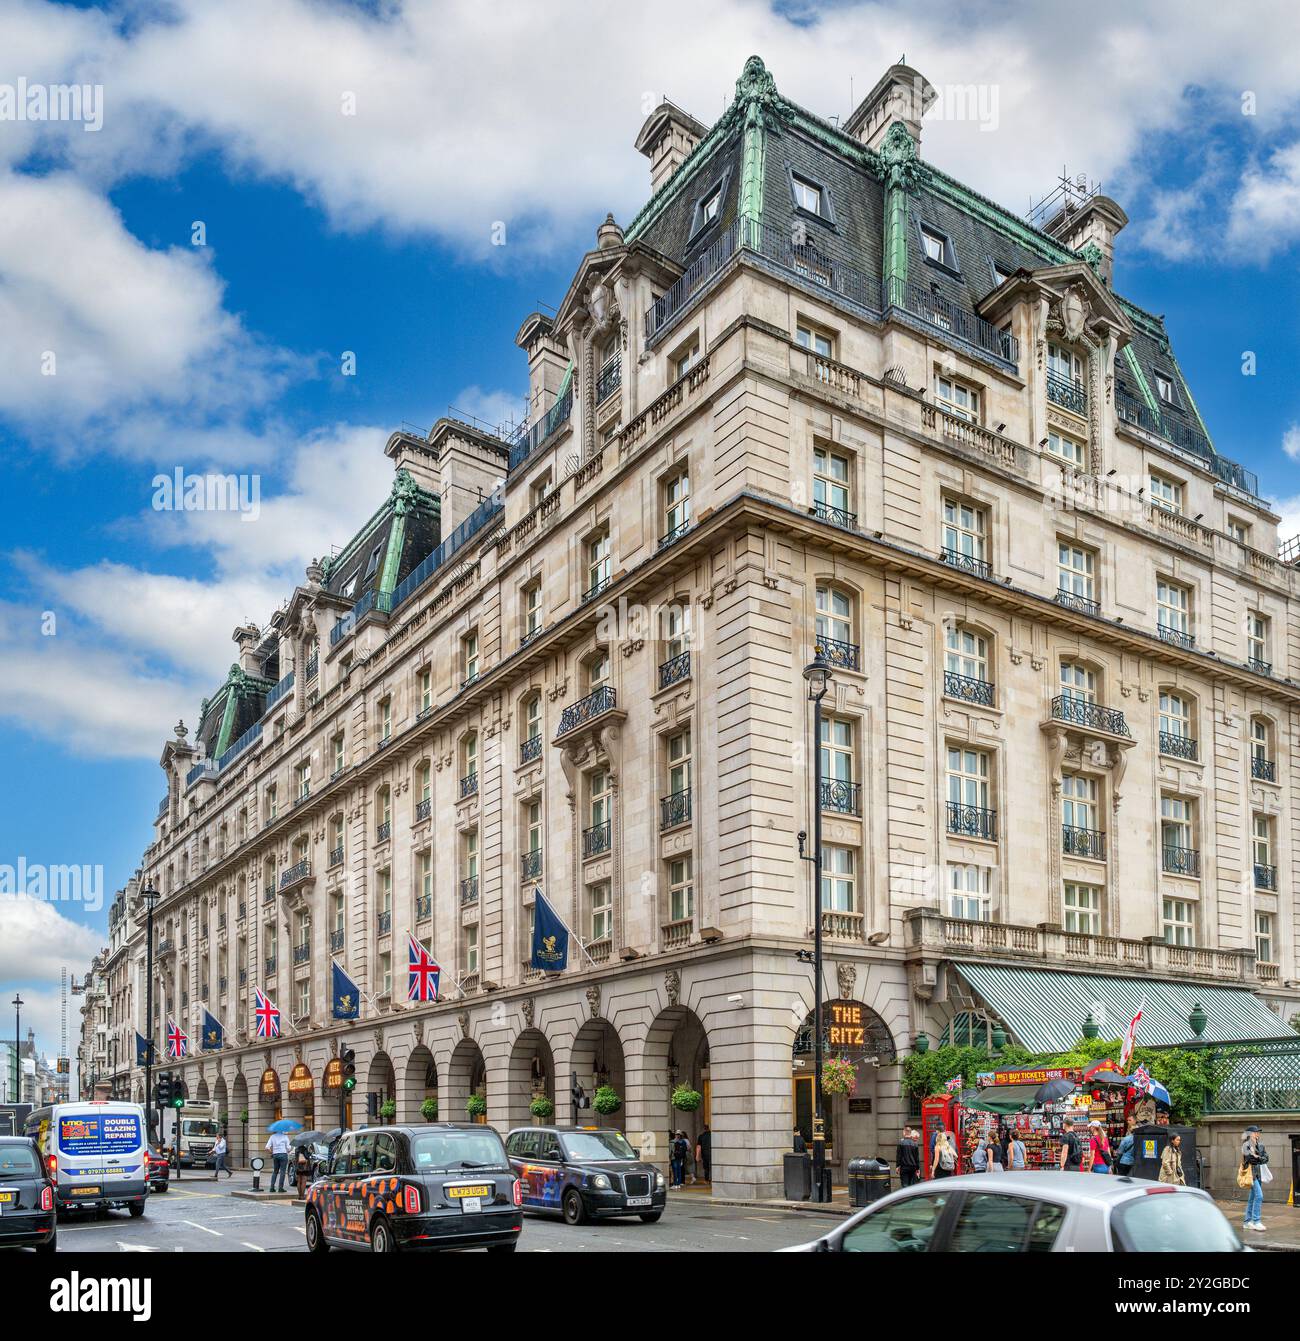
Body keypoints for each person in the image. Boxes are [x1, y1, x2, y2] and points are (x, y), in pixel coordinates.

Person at [1242, 1125, 1269, 1232]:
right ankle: (1256, 1221)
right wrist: (1259, 1158)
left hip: (1258, 1173)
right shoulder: (1246, 1145)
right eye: (1255, 1132)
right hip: (1251, 1174)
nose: (1257, 1134)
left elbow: (1266, 1158)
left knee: (1252, 1198)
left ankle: (1247, 1222)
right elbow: (1250, 1159)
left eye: (1258, 1132)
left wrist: (1259, 1158)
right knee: (1259, 1196)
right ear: (1249, 1134)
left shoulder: (1260, 1145)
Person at [266, 1128, 292, 1192]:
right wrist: (288, 1150)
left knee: (275, 1171)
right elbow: (289, 1148)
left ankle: (272, 1187)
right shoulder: (285, 1137)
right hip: (283, 1155)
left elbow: (267, 1147)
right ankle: (280, 1188)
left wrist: (272, 1152)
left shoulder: (272, 1136)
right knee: (282, 1172)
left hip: (275, 1155)